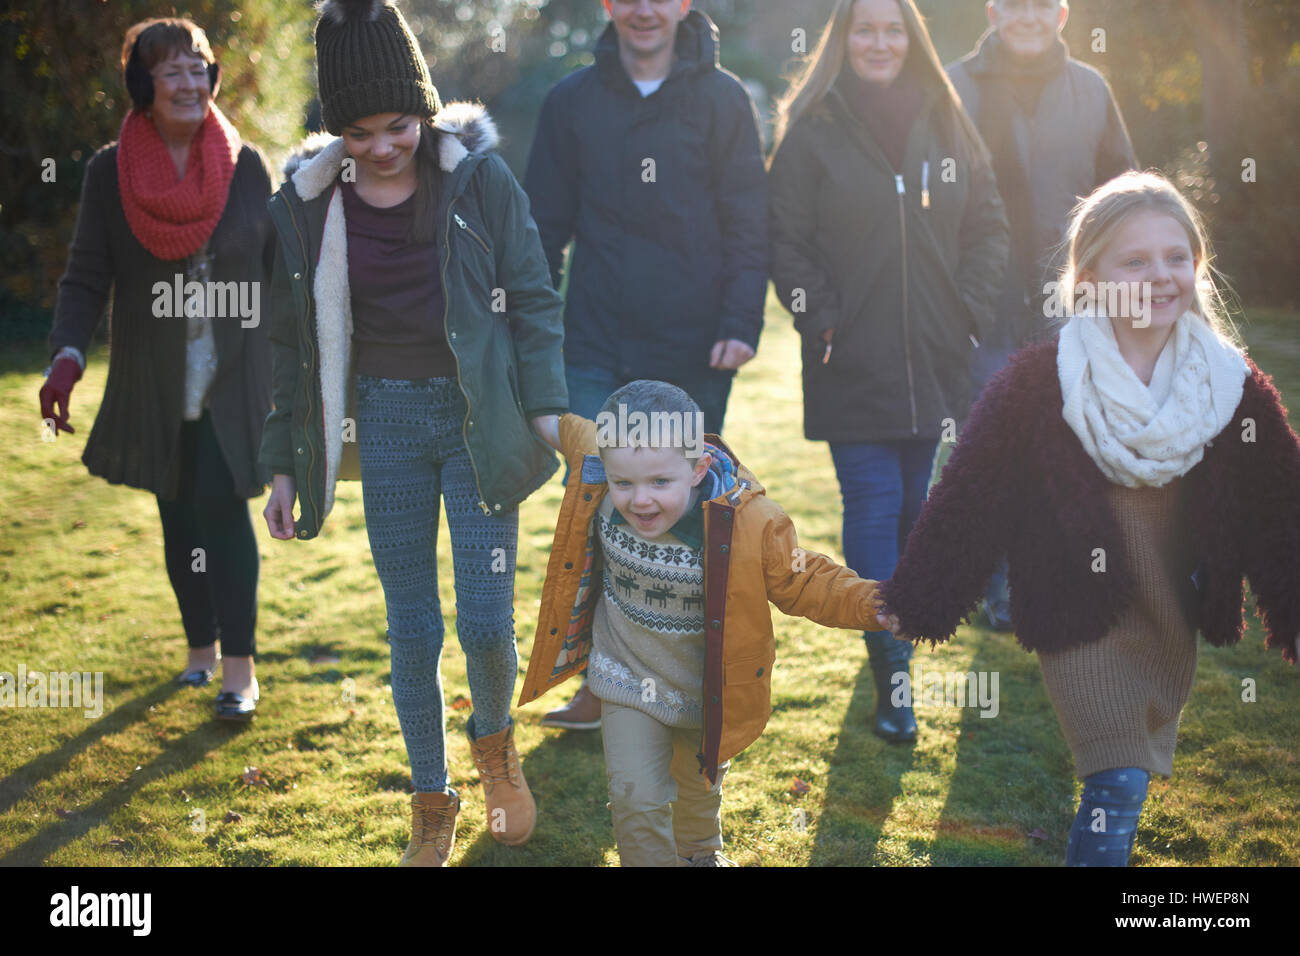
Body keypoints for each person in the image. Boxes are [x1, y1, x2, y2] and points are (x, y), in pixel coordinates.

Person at [877, 171, 1300, 866]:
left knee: (1126, 782)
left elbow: (1281, 510)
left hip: (1171, 614)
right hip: (1079, 610)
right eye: (1135, 260)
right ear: (1092, 276)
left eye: (1176, 257)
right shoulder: (1040, 383)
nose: (1160, 275)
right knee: (1117, 779)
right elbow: (971, 495)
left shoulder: (1231, 387)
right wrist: (919, 597)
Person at [259, 0, 567, 867]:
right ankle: (431, 798)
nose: (385, 146)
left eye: (400, 124)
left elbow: (534, 300)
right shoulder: (309, 206)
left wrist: (544, 407)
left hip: (479, 423)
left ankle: (495, 744)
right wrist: (283, 464)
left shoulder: (480, 182)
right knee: (412, 626)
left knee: (484, 617)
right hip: (384, 423)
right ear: (336, 131)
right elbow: (290, 348)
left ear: (424, 111)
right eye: (361, 132)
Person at [524, 0, 768, 732]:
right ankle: (601, 687)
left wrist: (740, 321)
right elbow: (543, 227)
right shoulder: (571, 101)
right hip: (595, 344)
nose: (643, 9)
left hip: (694, 347)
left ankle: (684, 687)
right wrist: (535, 338)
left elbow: (750, 217)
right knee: (600, 511)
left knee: (683, 517)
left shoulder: (723, 99)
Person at [768, 0, 1009, 742]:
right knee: (872, 502)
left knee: (914, 506)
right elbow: (786, 240)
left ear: (913, 38)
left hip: (937, 355)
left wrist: (967, 308)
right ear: (844, 39)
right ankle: (893, 683)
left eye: (893, 28)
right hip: (853, 357)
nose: (879, 41)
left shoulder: (947, 118)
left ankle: (889, 642)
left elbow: (990, 224)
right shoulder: (813, 129)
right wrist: (822, 317)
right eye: (864, 28)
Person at [519, 381, 884, 866]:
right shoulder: (599, 458)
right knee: (636, 798)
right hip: (626, 678)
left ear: (698, 469)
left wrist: (881, 603)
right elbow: (560, 425)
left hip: (706, 692)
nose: (640, 500)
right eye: (623, 483)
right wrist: (515, 388)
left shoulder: (748, 523)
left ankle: (701, 854)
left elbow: (808, 582)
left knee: (698, 793)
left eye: (659, 483)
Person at [40, 17, 274, 720]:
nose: (189, 81)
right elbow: (86, 275)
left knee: (221, 505)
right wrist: (67, 354)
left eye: (198, 67)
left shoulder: (247, 166)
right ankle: (199, 652)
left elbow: (280, 269)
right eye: (171, 70)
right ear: (144, 85)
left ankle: (240, 670)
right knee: (177, 513)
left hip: (233, 374)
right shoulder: (109, 174)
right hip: (156, 377)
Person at [948, 0, 1137, 630]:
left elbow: (1123, 194)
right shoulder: (954, 85)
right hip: (981, 304)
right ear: (993, 12)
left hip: (1071, 306)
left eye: (1040, 5)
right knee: (990, 449)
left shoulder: (1090, 88)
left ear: (1061, 14)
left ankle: (1059, 581)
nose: (1026, 16)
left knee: (1069, 445)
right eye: (1013, 5)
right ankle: (993, 588)